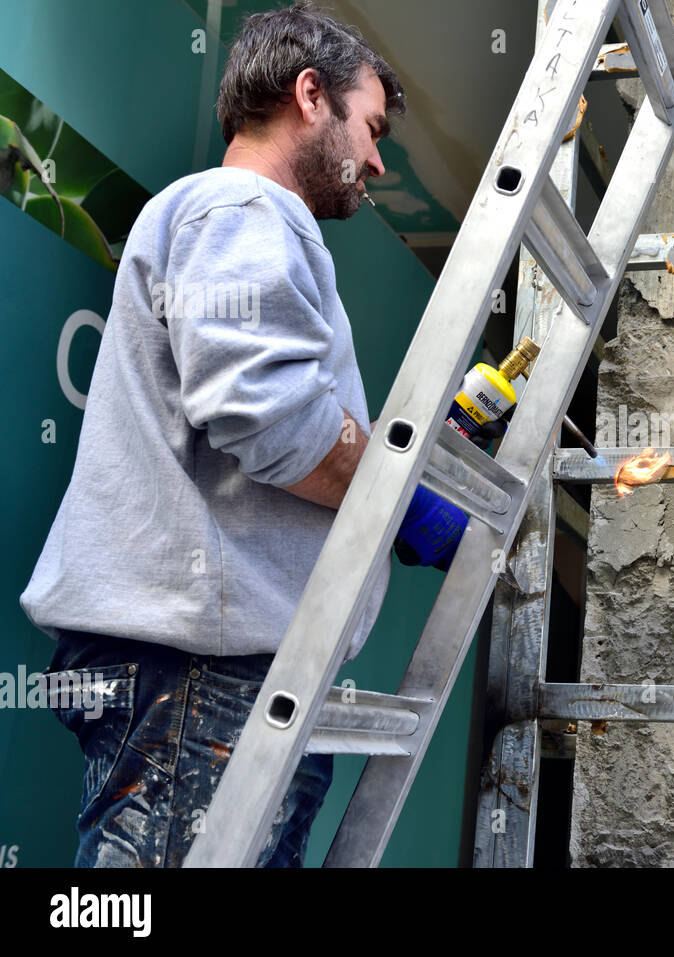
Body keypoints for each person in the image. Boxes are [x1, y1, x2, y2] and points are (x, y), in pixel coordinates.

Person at [19, 0, 463, 867]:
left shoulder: (225, 219)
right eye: (369, 127)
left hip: (204, 675)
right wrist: (398, 499)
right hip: (200, 676)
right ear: (309, 95)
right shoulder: (243, 209)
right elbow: (268, 415)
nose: (375, 158)